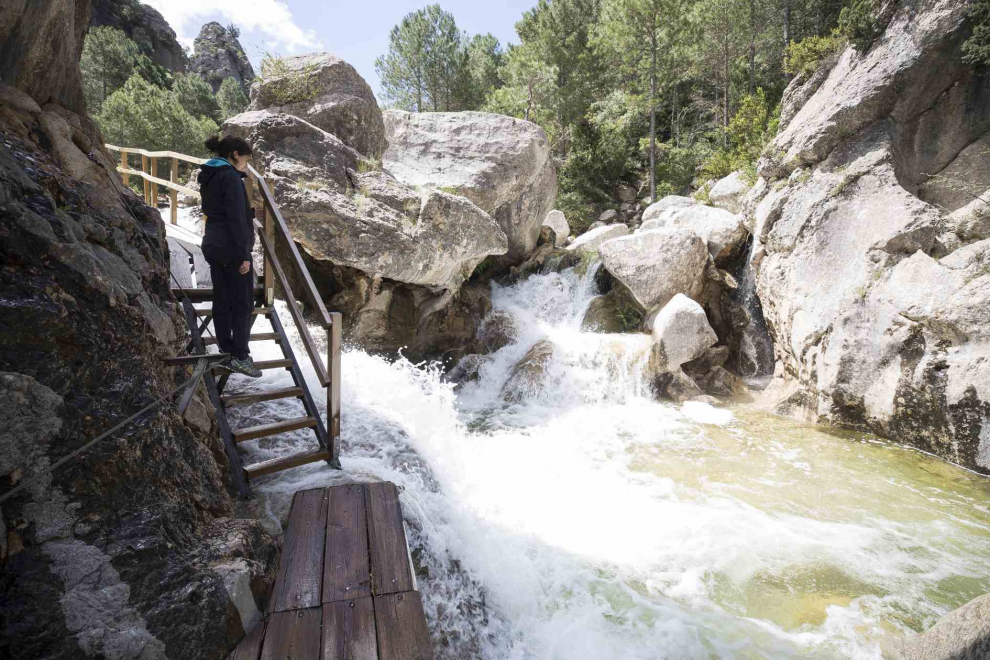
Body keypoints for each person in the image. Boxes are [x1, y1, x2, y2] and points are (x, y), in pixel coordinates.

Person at [198, 135, 262, 378]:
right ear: (235, 154)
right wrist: (244, 254)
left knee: (222, 300)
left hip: (213, 244)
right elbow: (236, 217)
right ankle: (240, 357)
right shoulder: (231, 177)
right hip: (231, 248)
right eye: (246, 159)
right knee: (243, 303)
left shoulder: (209, 174)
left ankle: (226, 351)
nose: (246, 164)